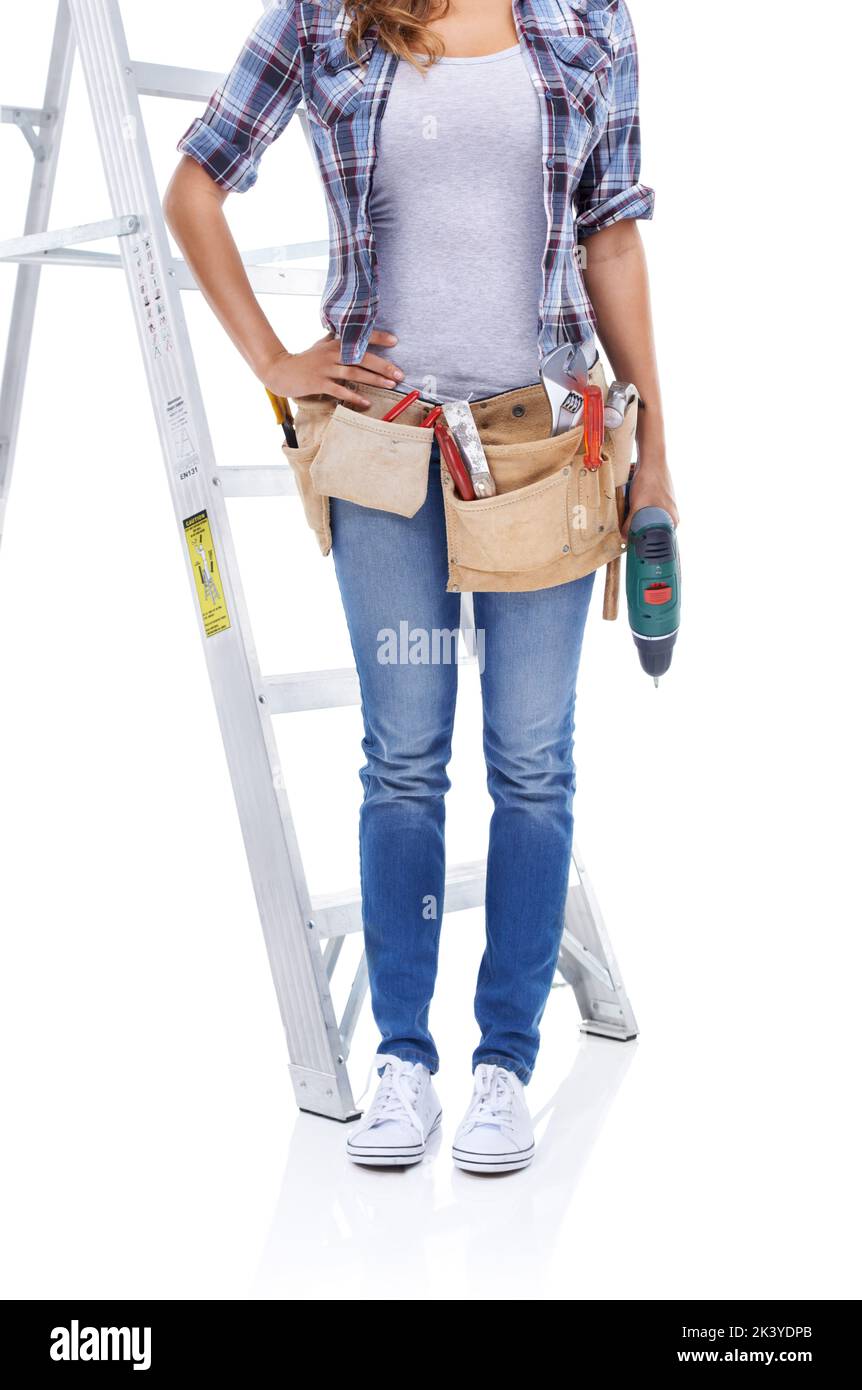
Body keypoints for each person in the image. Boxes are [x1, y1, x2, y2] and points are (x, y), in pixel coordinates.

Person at [164, 0, 677, 1174]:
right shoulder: (326, 16)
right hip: (382, 452)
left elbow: (612, 239)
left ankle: (504, 1063)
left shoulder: (588, 23)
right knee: (402, 756)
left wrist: (658, 453)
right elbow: (196, 185)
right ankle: (404, 1058)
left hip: (542, 455)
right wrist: (275, 361)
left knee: (531, 761)